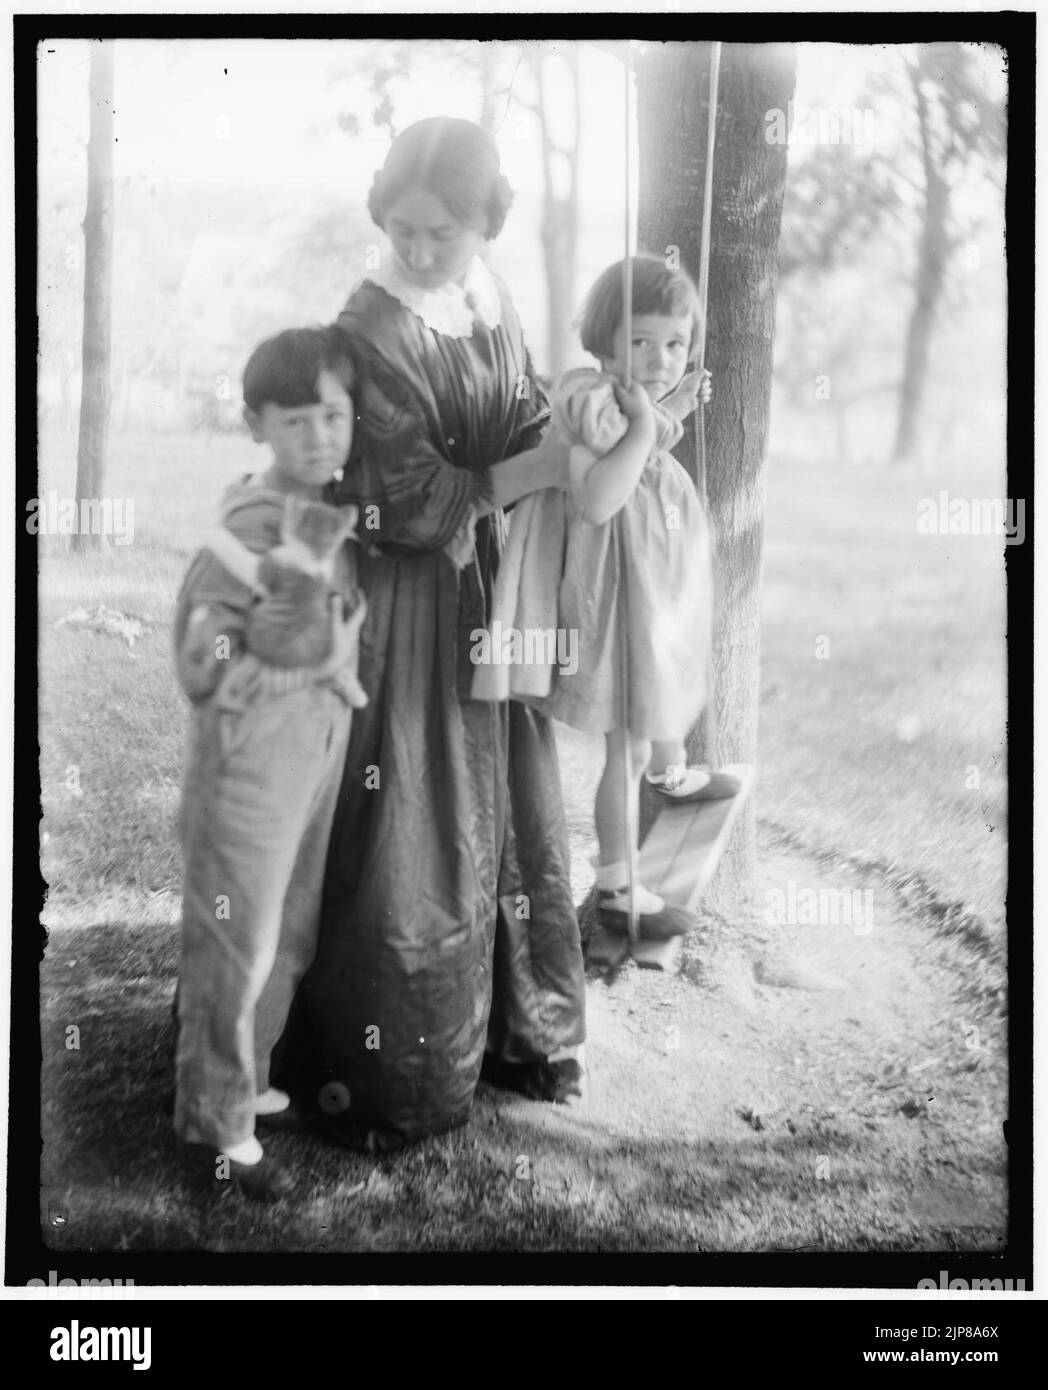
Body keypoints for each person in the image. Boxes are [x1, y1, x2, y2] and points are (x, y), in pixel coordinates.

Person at [272, 118, 586, 1150]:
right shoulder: (368, 331)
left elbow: (527, 414)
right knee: (410, 818)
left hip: (491, 590)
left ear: (482, 225)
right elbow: (404, 498)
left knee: (513, 809)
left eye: (440, 232)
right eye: (402, 229)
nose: (415, 250)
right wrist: (528, 473)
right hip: (408, 600)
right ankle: (390, 1065)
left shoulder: (487, 304)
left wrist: (581, 427)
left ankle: (514, 1030)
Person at [472, 255, 739, 943]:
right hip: (613, 593)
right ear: (602, 341)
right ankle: (619, 884)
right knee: (623, 742)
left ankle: (672, 771)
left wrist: (668, 411)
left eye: (675, 344)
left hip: (648, 588)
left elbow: (643, 436)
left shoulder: (635, 398)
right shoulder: (592, 396)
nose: (660, 359)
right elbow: (599, 497)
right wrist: (652, 425)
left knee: (669, 674)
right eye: (641, 342)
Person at [172, 326, 367, 1201]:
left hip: (311, 751)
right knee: (236, 939)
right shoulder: (250, 525)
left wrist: (333, 672)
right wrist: (302, 665)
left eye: (335, 414)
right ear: (258, 425)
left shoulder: (322, 513)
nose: (321, 436)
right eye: (297, 421)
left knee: (287, 927)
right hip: (250, 761)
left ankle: (242, 1085)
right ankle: (212, 1128)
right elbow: (201, 659)